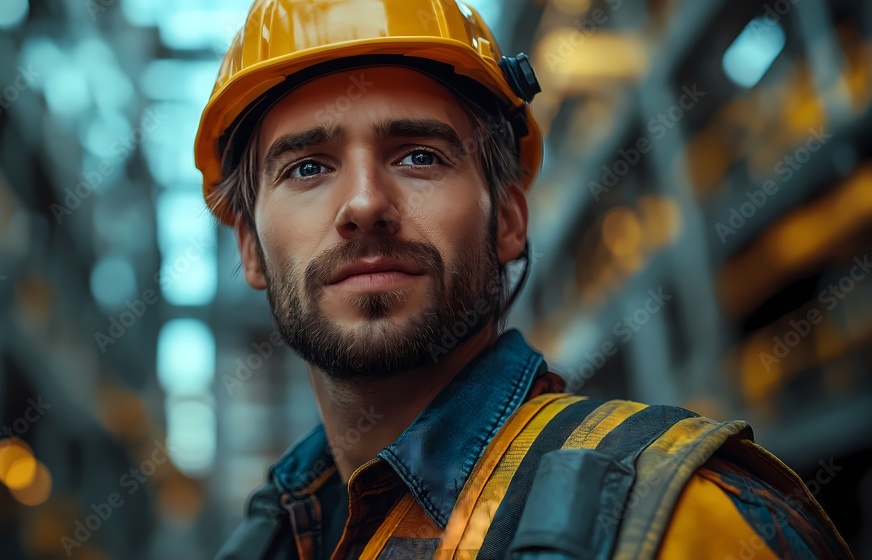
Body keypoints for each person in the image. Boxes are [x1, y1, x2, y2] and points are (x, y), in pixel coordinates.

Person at [194, 0, 853, 558]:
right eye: (307, 168)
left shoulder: (681, 524)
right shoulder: (271, 539)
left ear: (510, 219)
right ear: (250, 247)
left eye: (419, 155)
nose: (364, 203)